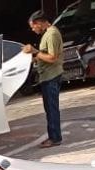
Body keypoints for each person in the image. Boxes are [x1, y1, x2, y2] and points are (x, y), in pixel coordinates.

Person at [24, 12, 65, 147]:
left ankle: (55, 138)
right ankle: (53, 136)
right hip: (46, 76)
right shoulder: (47, 34)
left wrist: (35, 52)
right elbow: (44, 55)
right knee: (49, 109)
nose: (33, 29)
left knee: (52, 109)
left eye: (33, 26)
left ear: (39, 23)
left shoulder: (52, 34)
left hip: (51, 76)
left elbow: (52, 58)